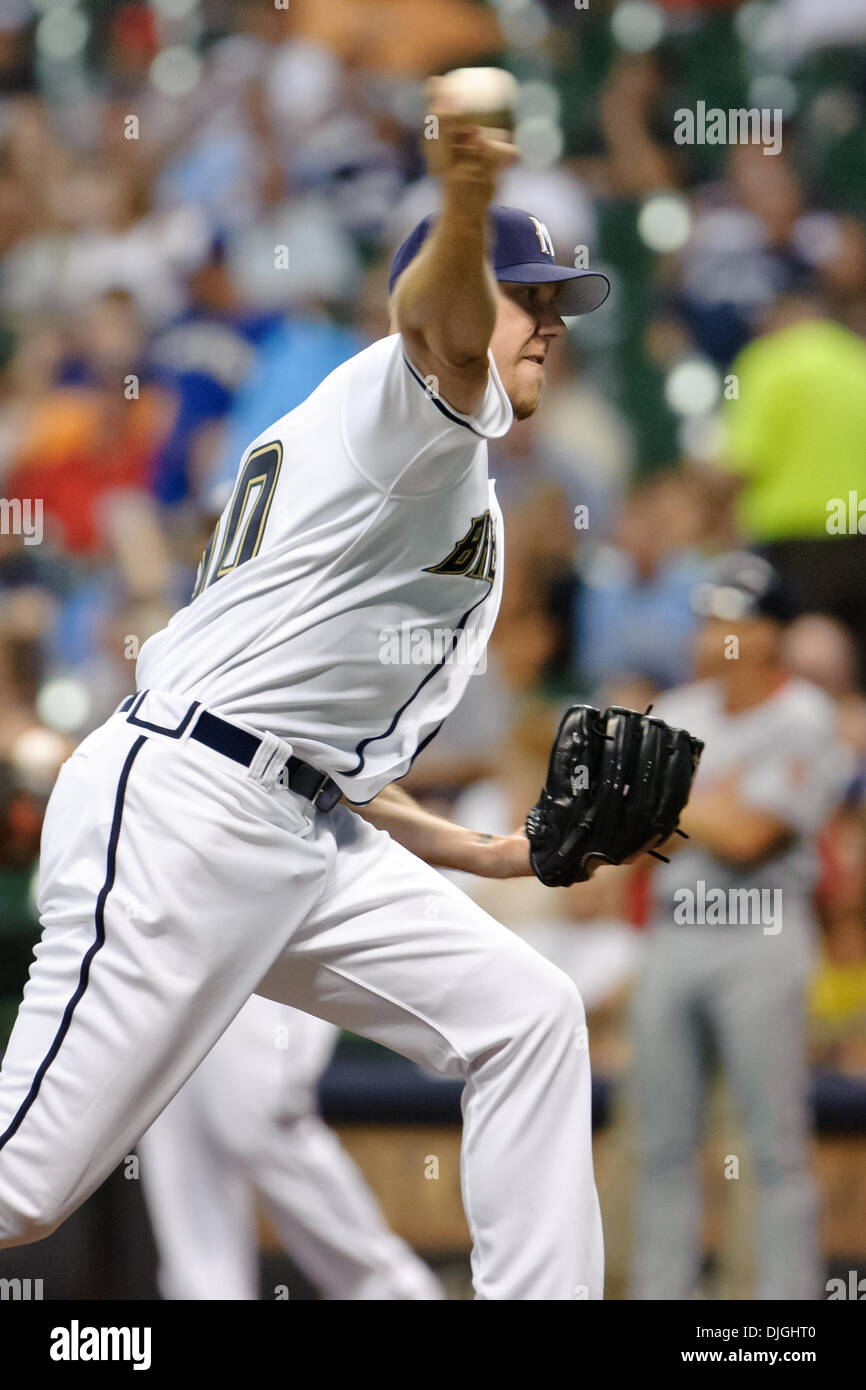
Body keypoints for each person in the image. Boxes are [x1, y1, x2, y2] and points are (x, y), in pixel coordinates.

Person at [0, 84, 613, 1299]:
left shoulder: (448, 473)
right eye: (523, 296)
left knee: (527, 1015)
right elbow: (430, 320)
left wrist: (472, 851)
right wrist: (463, 192)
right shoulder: (404, 401)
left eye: (556, 302)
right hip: (186, 811)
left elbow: (309, 735)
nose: (547, 323)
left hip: (293, 816)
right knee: (22, 1185)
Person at [629, 553, 850, 1300]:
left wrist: (669, 799)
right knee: (660, 1143)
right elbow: (633, 834)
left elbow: (753, 837)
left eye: (731, 620)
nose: (713, 634)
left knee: (773, 1144)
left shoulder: (807, 716)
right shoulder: (680, 708)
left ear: (769, 633)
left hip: (760, 933)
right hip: (674, 930)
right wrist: (700, 805)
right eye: (708, 619)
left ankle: (785, 1315)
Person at [138, 995, 443, 1301]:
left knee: (259, 1117)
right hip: (169, 958)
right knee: (177, 1126)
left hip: (267, 966)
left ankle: (393, 1292)